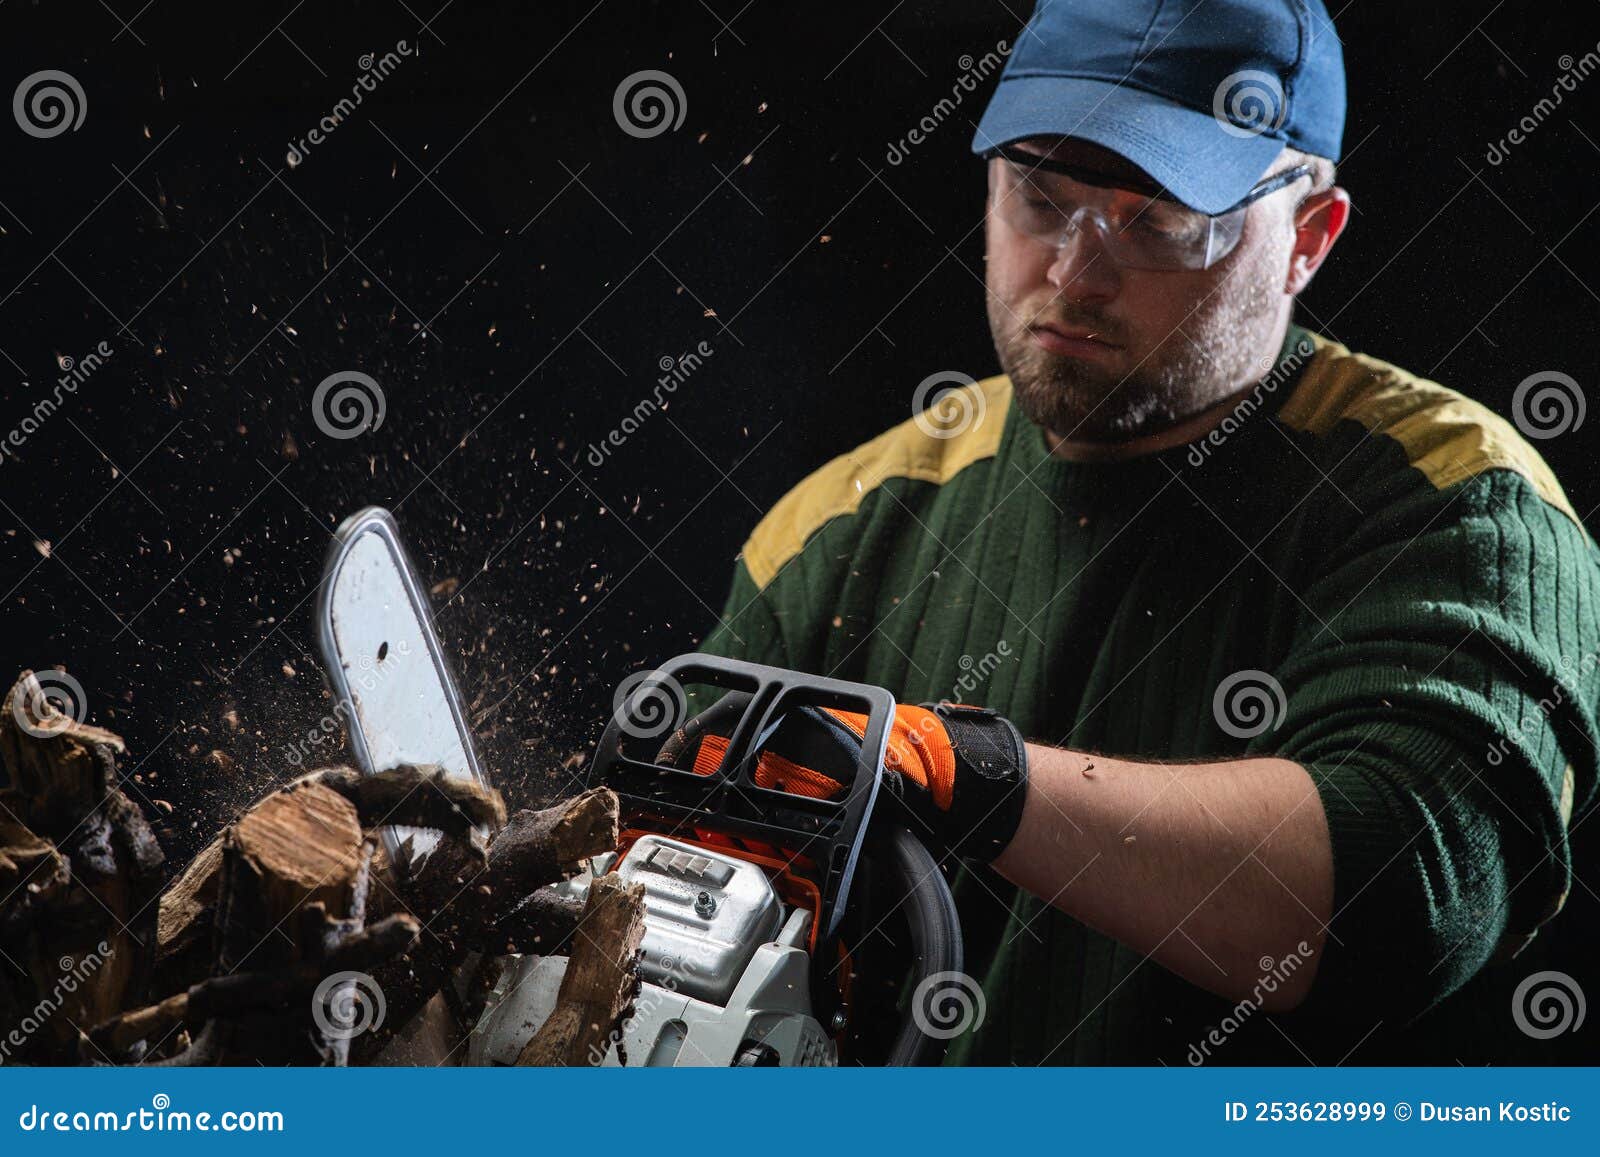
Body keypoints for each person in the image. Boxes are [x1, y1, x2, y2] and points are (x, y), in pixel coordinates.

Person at [696, 0, 1600, 1064]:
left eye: (1160, 219)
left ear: (1308, 239)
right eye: (1041, 196)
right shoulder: (841, 524)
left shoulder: (1460, 506)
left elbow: (1397, 894)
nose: (1073, 275)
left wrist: (972, 773)